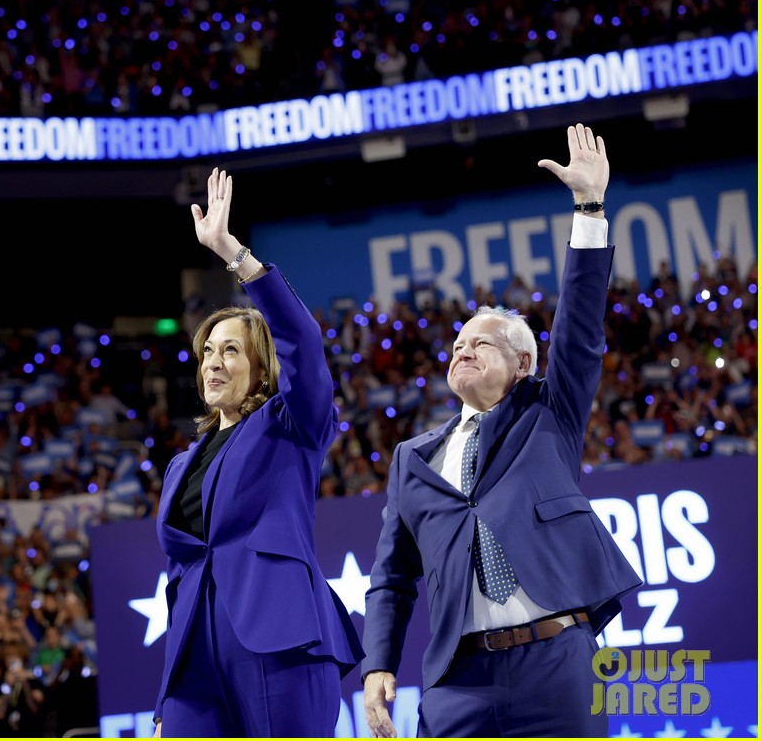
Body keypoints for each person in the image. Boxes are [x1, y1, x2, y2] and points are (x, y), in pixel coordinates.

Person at [361, 124, 644, 737]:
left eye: (481, 342)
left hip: (557, 665)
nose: (462, 350)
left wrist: (589, 210)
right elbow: (390, 576)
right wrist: (378, 663)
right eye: (457, 344)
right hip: (458, 681)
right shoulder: (413, 459)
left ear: (523, 365)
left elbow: (579, 326)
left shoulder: (550, 413)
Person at [153, 168, 364, 737]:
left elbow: (303, 341)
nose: (213, 363)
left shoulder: (290, 425)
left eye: (230, 351)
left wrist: (233, 254)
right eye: (207, 353)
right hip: (194, 654)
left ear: (261, 369)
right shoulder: (181, 462)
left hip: (278, 638)